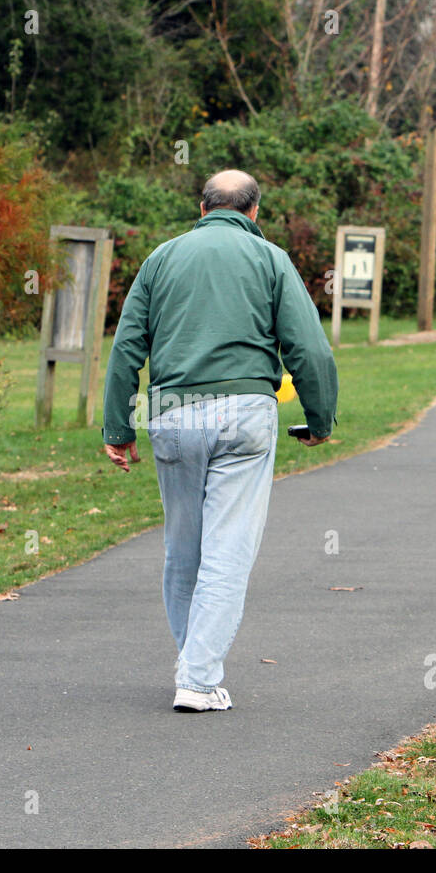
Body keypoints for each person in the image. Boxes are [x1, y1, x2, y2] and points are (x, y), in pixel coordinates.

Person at [100, 169, 339, 712]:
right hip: (245, 413)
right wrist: (319, 419)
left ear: (202, 207)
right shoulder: (272, 259)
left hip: (171, 413)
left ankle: (194, 668)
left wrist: (118, 427)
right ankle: (199, 679)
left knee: (183, 550)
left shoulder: (161, 258)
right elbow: (310, 350)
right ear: (254, 211)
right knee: (227, 552)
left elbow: (127, 346)